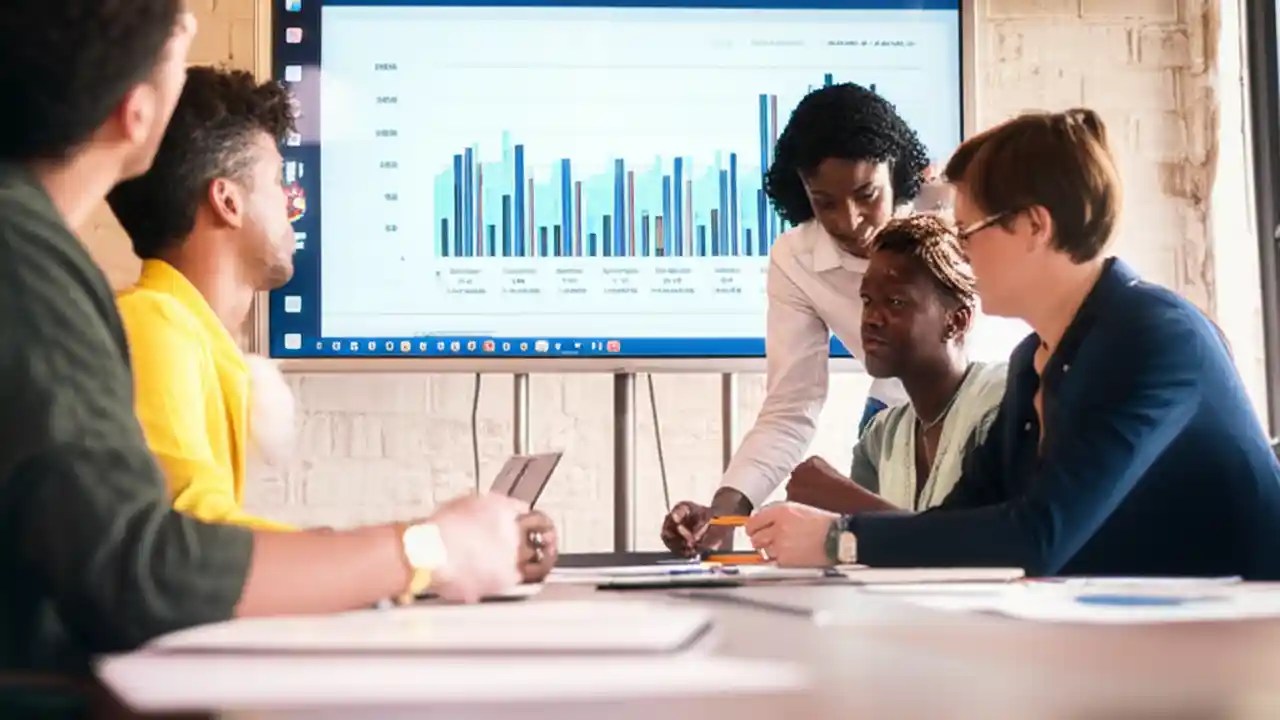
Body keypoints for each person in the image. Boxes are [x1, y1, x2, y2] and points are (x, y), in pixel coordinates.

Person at [0, 0, 556, 676]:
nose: (296, 204)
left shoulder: (46, 261)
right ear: (135, 111)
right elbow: (146, 566)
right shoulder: (58, 281)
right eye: (279, 185)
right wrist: (423, 551)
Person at [744, 109, 1280, 580]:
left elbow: (1038, 538)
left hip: (1240, 638)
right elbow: (959, 521)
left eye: (968, 229)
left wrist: (840, 539)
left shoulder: (1154, 335)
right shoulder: (1035, 358)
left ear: (1032, 227)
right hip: (1133, 632)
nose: (959, 249)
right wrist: (834, 535)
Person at [662, 83, 1017, 556]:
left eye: (866, 195)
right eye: (824, 202)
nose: (849, 222)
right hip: (899, 411)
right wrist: (726, 516)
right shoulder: (798, 259)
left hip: (982, 397)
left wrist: (848, 508)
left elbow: (984, 548)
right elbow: (790, 407)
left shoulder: (956, 219)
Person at [107, 66, 301, 531]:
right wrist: (406, 554)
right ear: (227, 201)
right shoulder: (152, 325)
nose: (293, 204)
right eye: (277, 182)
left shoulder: (198, 343)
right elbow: (193, 535)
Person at [783, 214, 1006, 515]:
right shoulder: (881, 436)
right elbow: (861, 549)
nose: (872, 319)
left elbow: (991, 544)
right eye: (867, 300)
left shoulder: (1001, 405)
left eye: (896, 302)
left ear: (956, 321)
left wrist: (850, 502)